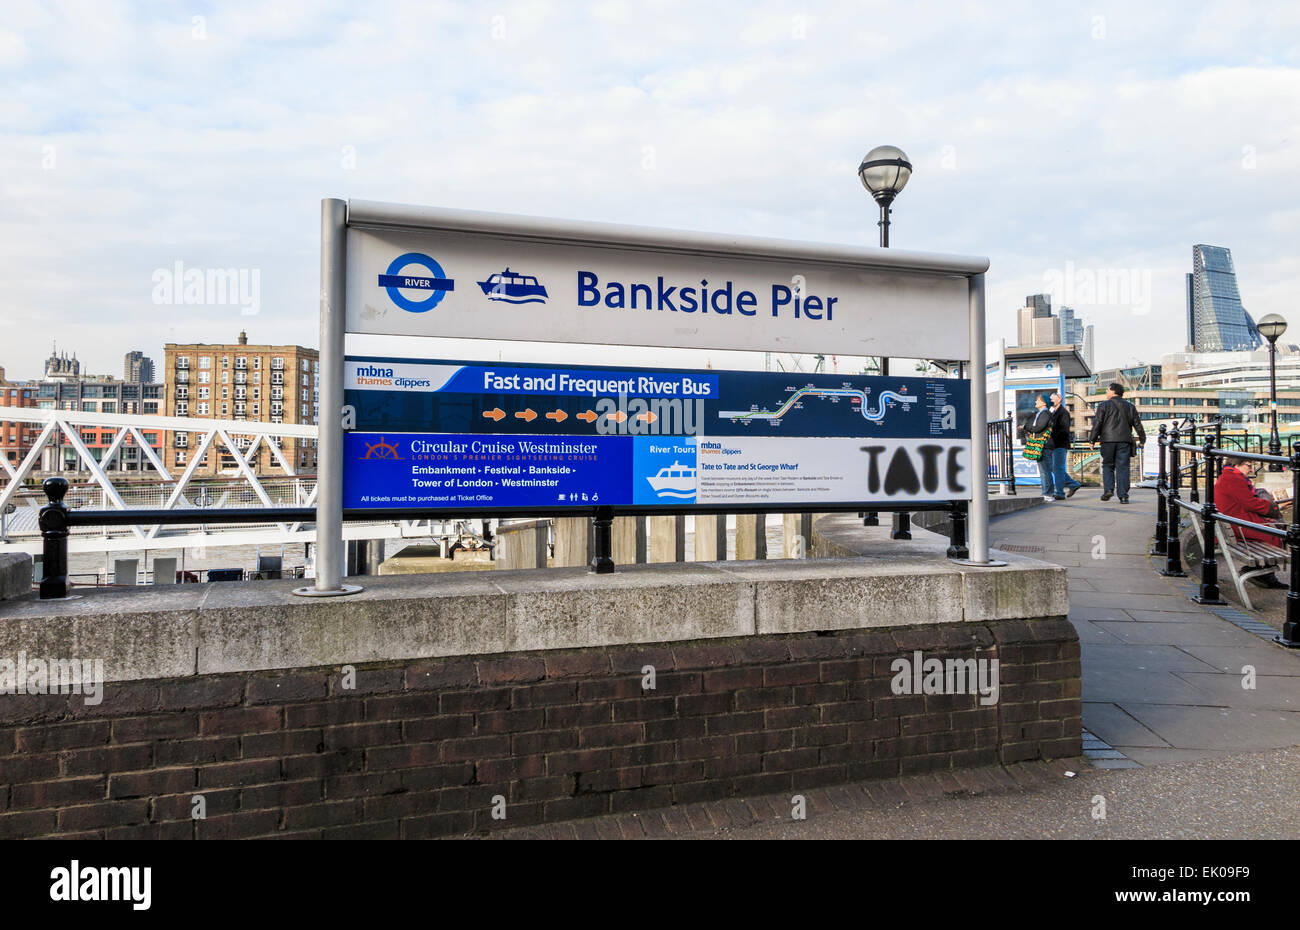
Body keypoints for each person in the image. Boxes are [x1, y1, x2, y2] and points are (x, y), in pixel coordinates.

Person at [1215, 456, 1289, 587]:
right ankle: (1262, 574)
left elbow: (1248, 501)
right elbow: (1251, 504)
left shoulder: (1228, 476)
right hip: (1236, 525)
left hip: (1231, 523)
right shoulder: (1233, 479)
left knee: (1272, 528)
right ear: (1237, 465)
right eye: (1248, 466)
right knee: (1273, 533)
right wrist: (1275, 507)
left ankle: (1262, 573)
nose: (1251, 470)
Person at [1089, 382, 1145, 503]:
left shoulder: (1103, 405)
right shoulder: (1130, 406)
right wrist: (1142, 440)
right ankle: (1124, 495)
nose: (1106, 393)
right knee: (1123, 467)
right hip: (1124, 441)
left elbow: (1097, 423)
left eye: (1107, 391)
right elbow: (1137, 424)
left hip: (1107, 441)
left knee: (1108, 465)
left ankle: (1108, 490)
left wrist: (1092, 440)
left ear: (1113, 391)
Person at [1024, 393, 1056, 501]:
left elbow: (1038, 428)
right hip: (1043, 445)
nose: (1035, 402)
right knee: (1045, 470)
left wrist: (1026, 427)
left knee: (1045, 471)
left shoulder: (1045, 414)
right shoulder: (1040, 414)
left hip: (1044, 445)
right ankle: (1049, 493)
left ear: (1043, 402)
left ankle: (1047, 494)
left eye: (1037, 400)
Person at [1049, 391, 1080, 499]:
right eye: (1050, 399)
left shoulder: (1063, 413)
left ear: (1060, 399)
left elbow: (1063, 430)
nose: (1051, 400)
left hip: (1060, 444)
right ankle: (1073, 484)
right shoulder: (1053, 412)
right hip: (1054, 444)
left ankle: (1060, 492)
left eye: (1052, 399)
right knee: (1056, 468)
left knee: (1057, 468)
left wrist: (1051, 436)